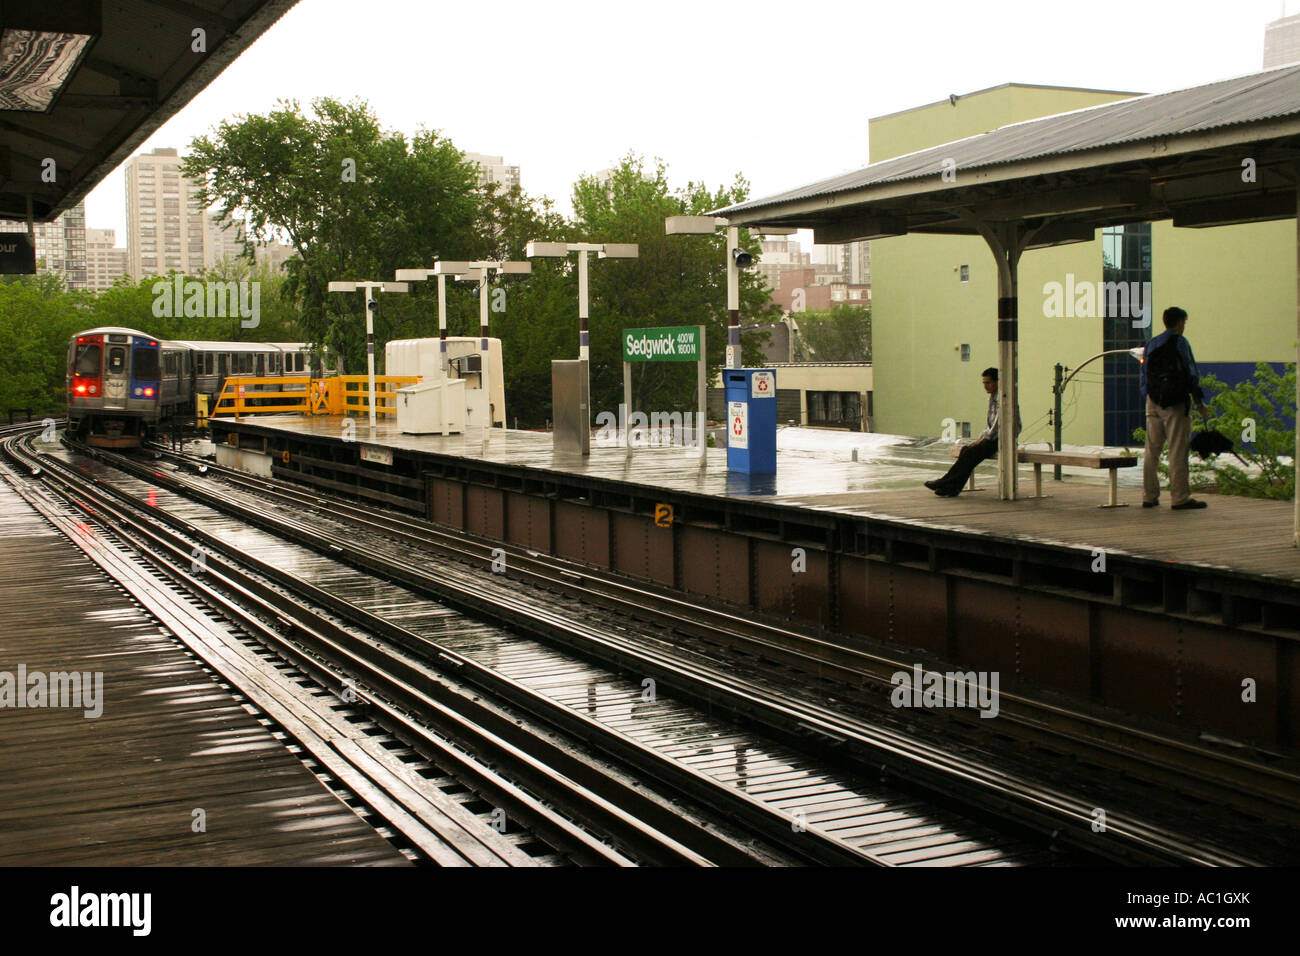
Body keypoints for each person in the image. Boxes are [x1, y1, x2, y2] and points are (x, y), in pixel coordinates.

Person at [1141, 306, 1209, 510]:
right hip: (1176, 404)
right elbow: (1191, 374)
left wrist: (1150, 397)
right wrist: (1199, 403)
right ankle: (1180, 497)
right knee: (1177, 450)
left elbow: (1144, 374)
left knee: (1151, 450)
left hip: (1153, 401)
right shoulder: (1180, 343)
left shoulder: (1152, 343)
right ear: (1179, 323)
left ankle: (1149, 496)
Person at [926, 367, 1018, 497]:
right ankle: (952, 487)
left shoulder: (1003, 399)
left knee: (971, 452)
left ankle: (945, 482)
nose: (986, 386)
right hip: (991, 438)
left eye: (989, 383)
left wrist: (983, 439)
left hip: (1002, 439)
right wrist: (981, 438)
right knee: (966, 450)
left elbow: (998, 425)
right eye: (984, 383)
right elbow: (989, 424)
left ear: (998, 382)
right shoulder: (992, 399)